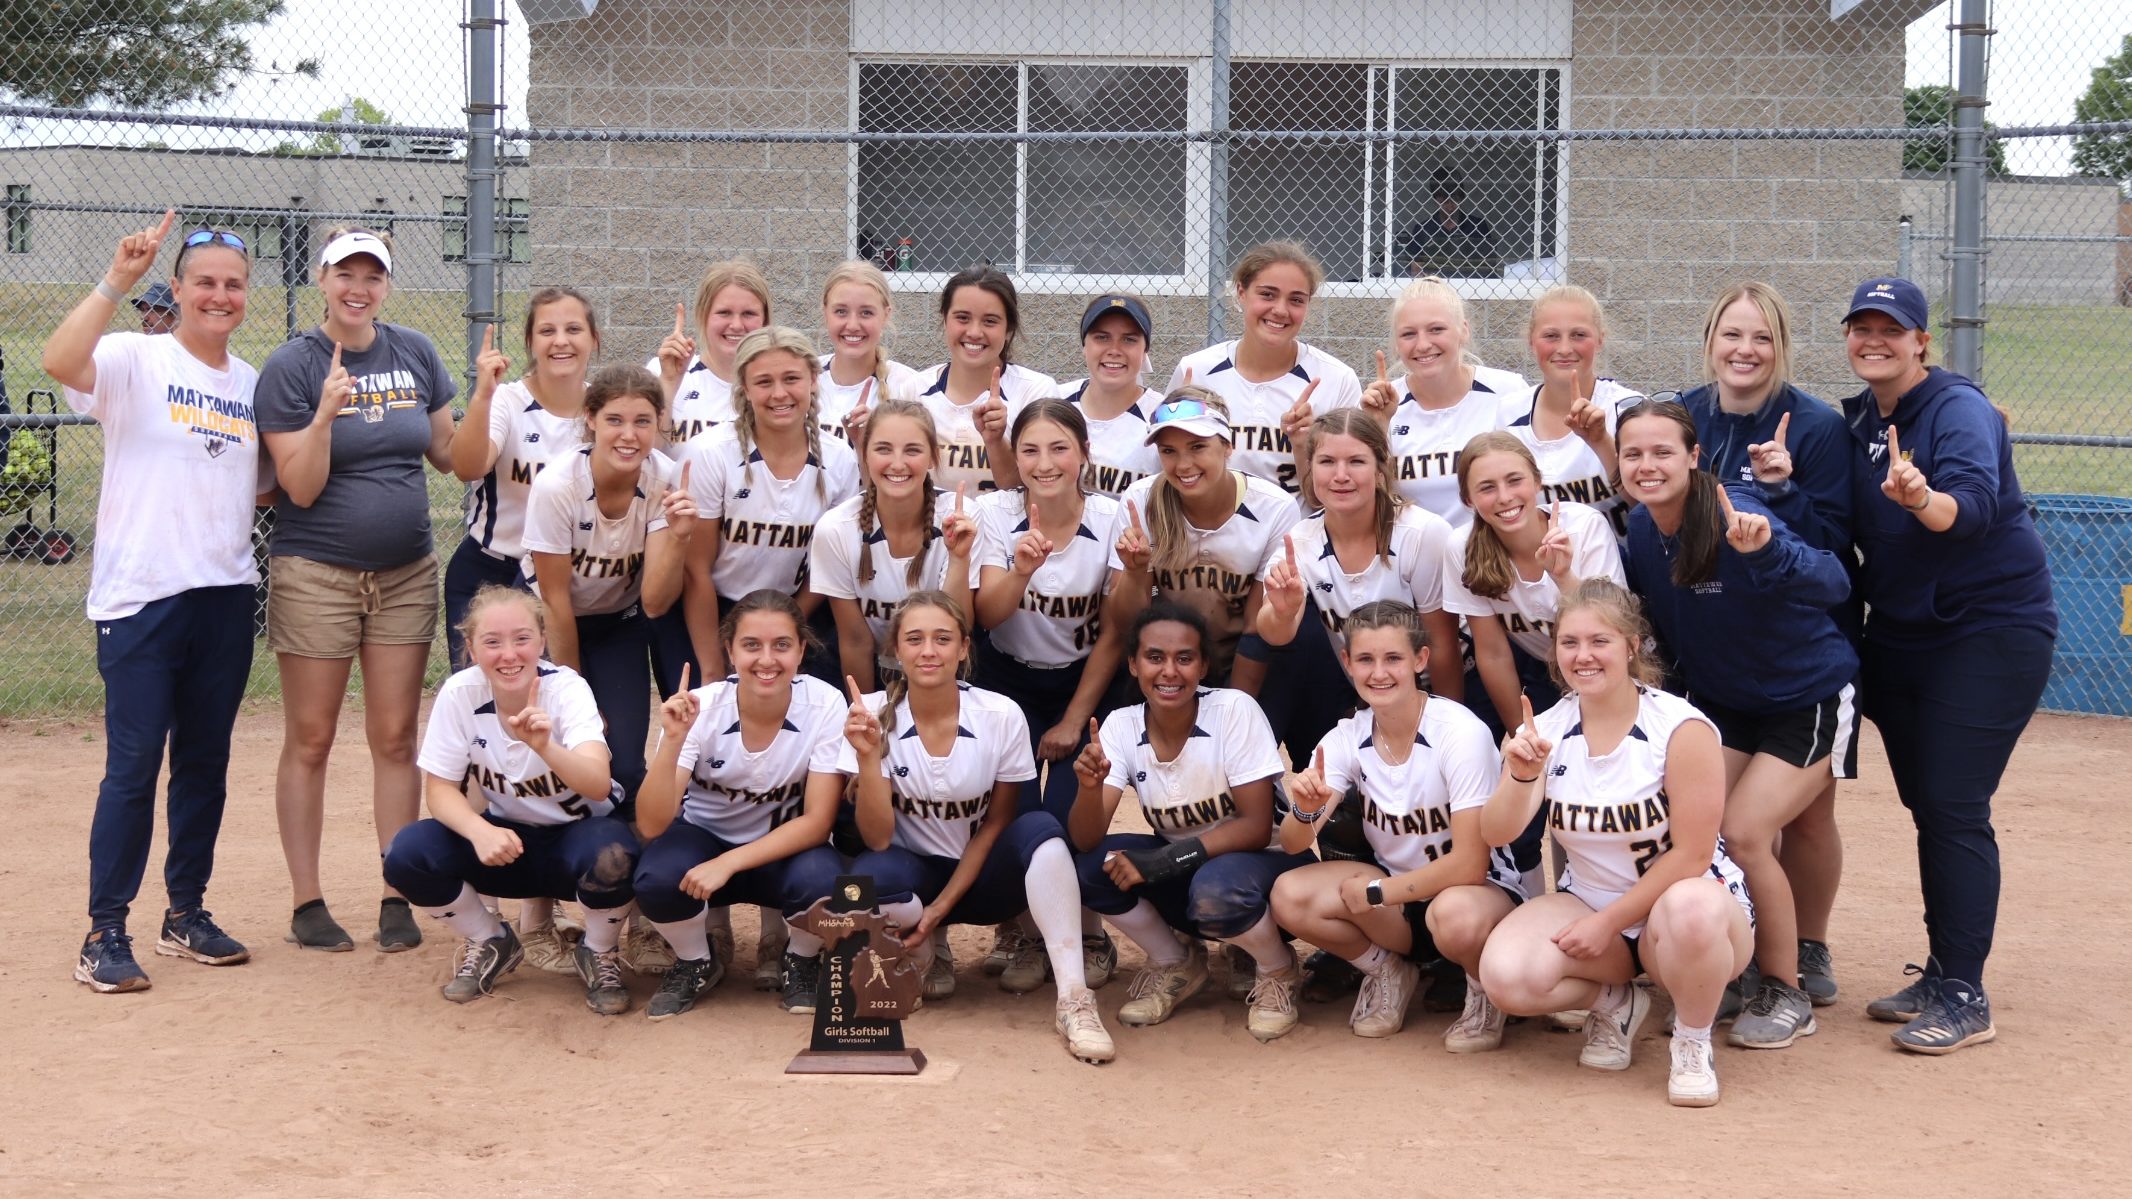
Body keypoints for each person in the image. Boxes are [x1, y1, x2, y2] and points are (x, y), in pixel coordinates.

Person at [1837, 276, 2056, 1055]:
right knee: (1931, 804)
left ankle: (1965, 991)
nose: (1875, 339)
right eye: (1862, 327)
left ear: (1921, 340)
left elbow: (1970, 510)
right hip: (1904, 634)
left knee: (1956, 804)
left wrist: (1922, 496)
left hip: (1988, 629)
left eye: (1891, 329)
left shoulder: (1956, 407)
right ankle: (1941, 969)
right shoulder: (1861, 417)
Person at [46, 213, 264, 991]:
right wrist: (115, 281)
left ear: (247, 297)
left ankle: (186, 913)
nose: (218, 295)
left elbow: (263, 482)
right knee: (134, 765)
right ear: (177, 289)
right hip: (142, 596)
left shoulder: (249, 383)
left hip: (225, 595)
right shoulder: (135, 357)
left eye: (232, 285)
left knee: (204, 763)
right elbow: (58, 359)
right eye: (203, 282)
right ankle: (105, 930)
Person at [1617, 399, 1857, 1049]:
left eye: (1663, 451)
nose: (1648, 465)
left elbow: (1834, 580)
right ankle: (1729, 962)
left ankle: (1786, 989)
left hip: (1805, 695)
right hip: (1724, 701)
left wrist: (1770, 549)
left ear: (1695, 457)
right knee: (1691, 824)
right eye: (1633, 453)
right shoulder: (1641, 528)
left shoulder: (1736, 506)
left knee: (1746, 831)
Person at [1477, 579, 1755, 1108]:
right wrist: (1519, 774)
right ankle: (1616, 1003)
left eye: (1599, 641)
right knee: (1506, 977)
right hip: (1591, 904)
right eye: (1569, 643)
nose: (1583, 656)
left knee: (1691, 906)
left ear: (1631, 645)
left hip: (1684, 915)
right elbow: (1497, 834)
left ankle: (1692, 1043)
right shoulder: (1548, 728)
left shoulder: (1679, 726)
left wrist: (1609, 923)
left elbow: (1694, 855)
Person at [256, 227, 455, 954]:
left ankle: (395, 892)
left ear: (386, 285)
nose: (359, 288)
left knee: (396, 737)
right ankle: (308, 902)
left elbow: (448, 454)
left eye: (373, 276)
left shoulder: (416, 353)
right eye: (347, 273)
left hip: (405, 571)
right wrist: (323, 415)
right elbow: (298, 488)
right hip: (317, 571)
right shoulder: (292, 365)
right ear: (323, 278)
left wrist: (494, 397)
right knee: (311, 738)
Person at [838, 592, 1117, 1065]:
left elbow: (999, 823)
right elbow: (878, 837)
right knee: (866, 881)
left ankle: (1074, 998)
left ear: (964, 648)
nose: (929, 651)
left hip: (984, 879)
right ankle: (921, 953)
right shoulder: (869, 714)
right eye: (915, 639)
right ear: (896, 650)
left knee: (1043, 832)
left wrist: (943, 907)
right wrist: (868, 758)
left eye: (943, 639)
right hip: (914, 878)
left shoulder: (1000, 713)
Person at [1680, 281, 1856, 1008]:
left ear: (1780, 346)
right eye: (1732, 335)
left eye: (1761, 338)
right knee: (1717, 820)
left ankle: (1805, 946)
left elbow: (1835, 550)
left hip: (1799, 649)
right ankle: (1747, 939)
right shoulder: (1687, 412)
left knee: (1804, 815)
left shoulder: (1812, 425)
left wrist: (1784, 491)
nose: (1744, 350)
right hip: (1723, 654)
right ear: (1711, 340)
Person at [676, 325, 859, 985]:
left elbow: (830, 564)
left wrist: (785, 635)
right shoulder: (715, 454)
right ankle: (711, 919)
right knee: (705, 743)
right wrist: (720, 666)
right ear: (743, 389)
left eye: (791, 378)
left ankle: (785, 922)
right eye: (764, 380)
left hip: (794, 618)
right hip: (718, 613)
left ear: (813, 383)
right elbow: (698, 572)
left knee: (798, 750)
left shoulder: (838, 460)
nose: (779, 392)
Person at [1270, 601, 1524, 1044]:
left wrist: (1375, 893)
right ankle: (1386, 970)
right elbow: (1293, 844)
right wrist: (1306, 809)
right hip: (1398, 903)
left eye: (1393, 659)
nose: (1379, 673)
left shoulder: (1460, 733)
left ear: (1420, 660)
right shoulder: (1347, 737)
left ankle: (1481, 988)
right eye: (1365, 659)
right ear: (1347, 663)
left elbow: (1470, 866)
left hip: (1473, 897)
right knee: (1289, 896)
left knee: (1454, 914)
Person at [381, 586, 637, 1012]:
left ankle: (598, 950)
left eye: (521, 639)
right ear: (471, 648)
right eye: (492, 642)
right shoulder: (461, 693)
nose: (509, 654)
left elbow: (597, 783)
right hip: (507, 844)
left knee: (616, 855)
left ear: (542, 641)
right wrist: (479, 831)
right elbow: (440, 789)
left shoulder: (567, 689)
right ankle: (491, 939)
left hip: (577, 842)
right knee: (405, 855)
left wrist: (545, 746)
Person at [1067, 600, 1313, 1042]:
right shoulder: (1121, 727)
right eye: (1155, 657)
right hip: (1195, 868)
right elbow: (1087, 838)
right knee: (1088, 867)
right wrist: (1088, 787)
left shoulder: (1233, 710)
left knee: (1217, 889)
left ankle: (1277, 969)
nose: (1169, 671)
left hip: (1270, 867)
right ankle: (1176, 959)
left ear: (1203, 667)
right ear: (1133, 664)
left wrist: (1162, 862)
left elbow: (1257, 827)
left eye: (1184, 658)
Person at [968, 400, 1129, 988]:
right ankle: (1025, 933)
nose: (1044, 462)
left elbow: (1116, 632)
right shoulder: (993, 510)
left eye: (1059, 447)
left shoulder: (1114, 515)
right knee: (1013, 809)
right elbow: (984, 616)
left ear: (1085, 454)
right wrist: (1021, 572)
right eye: (1030, 449)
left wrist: (1072, 720)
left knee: (1069, 809)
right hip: (1007, 677)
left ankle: (1089, 932)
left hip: (1085, 680)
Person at [632, 590, 849, 1018]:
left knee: (826, 881)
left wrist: (730, 863)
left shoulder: (825, 703)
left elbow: (819, 821)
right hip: (703, 839)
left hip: (780, 845)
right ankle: (697, 960)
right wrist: (671, 741)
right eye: (751, 645)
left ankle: (800, 960)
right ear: (730, 651)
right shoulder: (702, 705)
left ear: (802, 650)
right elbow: (652, 823)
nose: (766, 659)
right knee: (656, 879)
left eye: (781, 645)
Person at [522, 363, 693, 813]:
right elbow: (555, 599)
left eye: (642, 421)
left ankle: (617, 866)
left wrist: (678, 536)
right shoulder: (558, 485)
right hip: (550, 621)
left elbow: (655, 602)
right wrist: (573, 691)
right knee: (561, 744)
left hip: (619, 622)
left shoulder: (665, 479)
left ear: (659, 424)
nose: (629, 435)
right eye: (615, 420)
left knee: (625, 761)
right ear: (591, 419)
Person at [444, 287, 599, 669]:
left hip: (569, 579)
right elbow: (467, 466)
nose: (561, 341)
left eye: (573, 329)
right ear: (530, 341)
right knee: (485, 709)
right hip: (495, 570)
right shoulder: (508, 401)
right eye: (547, 331)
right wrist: (482, 396)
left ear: (594, 340)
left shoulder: (604, 409)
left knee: (559, 709)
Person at [1109, 389, 1299, 690]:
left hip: (1241, 662)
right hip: (1168, 661)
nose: (1183, 465)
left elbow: (1254, 629)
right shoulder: (1141, 501)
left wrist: (1234, 709)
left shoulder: (1274, 508)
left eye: (1197, 447)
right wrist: (1134, 572)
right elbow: (1126, 622)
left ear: (1228, 446)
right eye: (1168, 451)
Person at [1167, 241, 1363, 496]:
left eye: (1296, 300)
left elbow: (1341, 496)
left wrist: (1304, 445)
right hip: (1208, 533)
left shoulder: (1337, 379)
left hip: (1297, 532)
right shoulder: (1196, 371)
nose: (1280, 310)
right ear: (1241, 292)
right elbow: (1167, 472)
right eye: (1267, 294)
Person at [807, 398, 975, 691]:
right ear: (865, 454)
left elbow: (957, 628)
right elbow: (856, 640)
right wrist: (870, 713)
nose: (898, 464)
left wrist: (959, 559)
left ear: (933, 458)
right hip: (873, 665)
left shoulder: (962, 516)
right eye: (883, 449)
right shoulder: (835, 528)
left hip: (942, 666)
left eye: (912, 450)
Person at [1359, 277, 1525, 525]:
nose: (1423, 344)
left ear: (1463, 330)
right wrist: (1378, 428)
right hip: (1417, 555)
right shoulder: (1381, 405)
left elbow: (1534, 483)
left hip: (1493, 553)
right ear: (1396, 343)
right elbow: (1368, 502)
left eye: (1436, 329)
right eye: (1408, 334)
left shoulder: (1508, 391)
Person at [1503, 285, 1643, 541]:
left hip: (1616, 573)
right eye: (1551, 336)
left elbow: (1650, 505)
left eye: (1579, 335)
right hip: (1537, 571)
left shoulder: (1628, 409)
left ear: (1600, 338)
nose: (1565, 348)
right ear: (1531, 341)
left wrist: (1602, 443)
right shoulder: (1507, 413)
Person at [910, 265, 1059, 494]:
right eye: (962, 318)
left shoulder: (1035, 392)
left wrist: (996, 441)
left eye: (990, 321)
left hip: (1007, 530)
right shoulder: (914, 390)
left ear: (1009, 328)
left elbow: (1037, 488)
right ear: (944, 319)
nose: (974, 332)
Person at [651, 260, 771, 443]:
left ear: (765, 320)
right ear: (703, 315)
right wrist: (669, 381)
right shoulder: (662, 372)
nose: (737, 325)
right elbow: (646, 455)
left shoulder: (779, 385)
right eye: (724, 313)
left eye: (748, 314)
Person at [1060, 293, 1163, 499]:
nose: (1114, 350)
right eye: (1102, 337)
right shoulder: (1054, 399)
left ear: (1145, 350)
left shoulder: (1162, 415)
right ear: (1084, 346)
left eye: (1129, 339)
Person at [815, 259, 922, 447]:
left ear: (885, 315)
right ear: (825, 313)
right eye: (841, 311)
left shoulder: (909, 387)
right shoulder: (804, 377)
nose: (853, 325)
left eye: (866, 313)